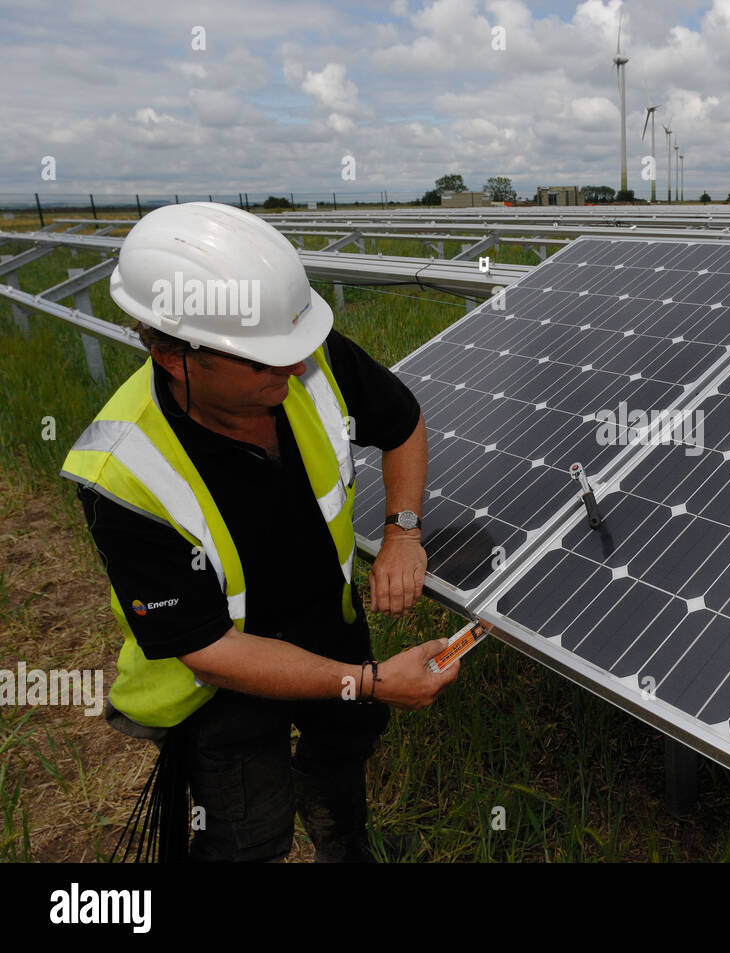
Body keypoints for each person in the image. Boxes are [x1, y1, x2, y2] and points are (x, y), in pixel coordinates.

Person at [61, 202, 458, 862]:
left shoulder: (301, 352)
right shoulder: (120, 472)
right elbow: (210, 648)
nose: (293, 369)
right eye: (262, 363)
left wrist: (403, 533)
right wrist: (372, 678)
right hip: (220, 681)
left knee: (344, 749)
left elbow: (403, 421)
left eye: (295, 351)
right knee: (247, 833)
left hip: (325, 623)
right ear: (169, 353)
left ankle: (345, 844)